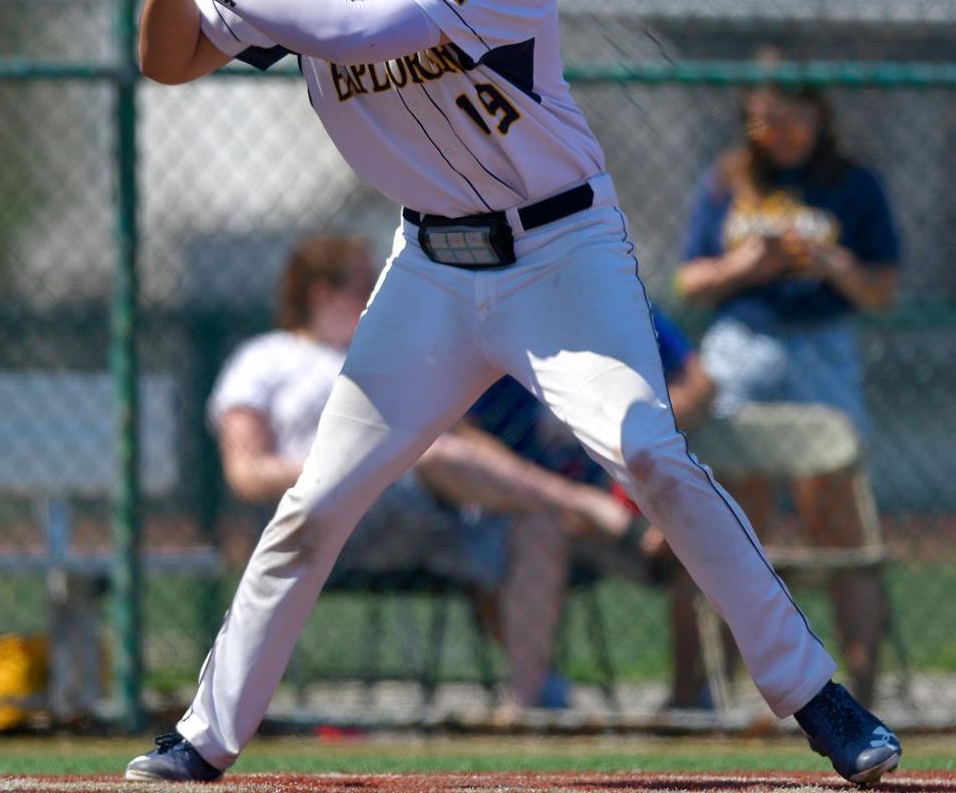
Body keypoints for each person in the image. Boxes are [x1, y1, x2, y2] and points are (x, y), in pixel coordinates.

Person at [123, 0, 900, 785]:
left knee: (652, 456)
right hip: (430, 269)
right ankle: (201, 740)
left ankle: (813, 694)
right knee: (314, 504)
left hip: (558, 255)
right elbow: (168, 60)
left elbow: (369, 31)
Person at [212, 233, 651, 712]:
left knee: (540, 523)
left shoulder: (392, 353)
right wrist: (353, 461)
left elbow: (462, 438)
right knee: (430, 456)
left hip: (431, 520)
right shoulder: (264, 358)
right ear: (322, 294)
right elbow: (246, 473)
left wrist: (515, 481)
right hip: (332, 521)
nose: (379, 296)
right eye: (365, 286)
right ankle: (588, 504)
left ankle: (528, 702)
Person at [673, 70, 902, 707]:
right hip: (743, 344)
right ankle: (698, 691)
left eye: (796, 118)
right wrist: (749, 264)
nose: (783, 133)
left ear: (820, 117)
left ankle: (861, 691)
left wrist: (827, 261)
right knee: (725, 518)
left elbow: (882, 291)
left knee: (836, 519)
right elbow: (688, 281)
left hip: (821, 346)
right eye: (767, 120)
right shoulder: (728, 180)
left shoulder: (853, 186)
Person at [463, 305, 721, 711]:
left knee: (693, 530)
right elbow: (463, 432)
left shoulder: (618, 300)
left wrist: (638, 433)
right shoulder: (502, 322)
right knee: (538, 530)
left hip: (628, 493)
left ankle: (688, 701)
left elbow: (701, 386)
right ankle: (533, 698)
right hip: (535, 504)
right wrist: (543, 490)